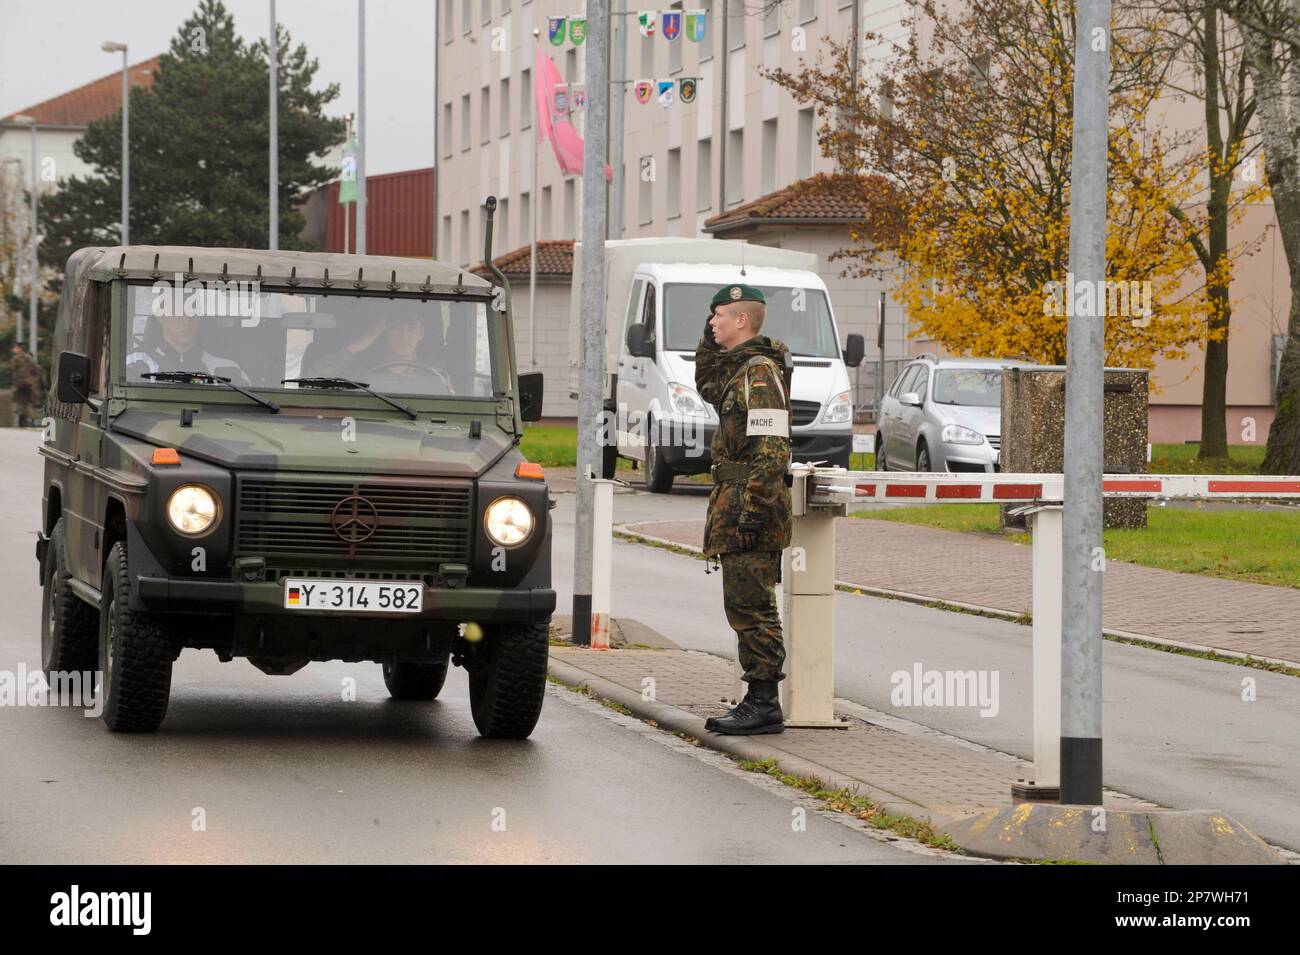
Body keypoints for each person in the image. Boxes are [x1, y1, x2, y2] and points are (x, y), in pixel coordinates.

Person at [694, 283, 793, 735]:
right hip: (736, 504)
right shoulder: (736, 370)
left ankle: (764, 702)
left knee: (753, 608)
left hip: (750, 507)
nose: (712, 322)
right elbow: (707, 384)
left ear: (741, 321)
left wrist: (753, 509)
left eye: (718, 315)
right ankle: (758, 698)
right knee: (742, 603)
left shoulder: (758, 374)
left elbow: (772, 449)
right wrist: (706, 335)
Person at [305, 313, 452, 391]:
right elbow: (310, 381)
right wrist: (356, 347)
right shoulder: (359, 374)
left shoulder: (435, 376)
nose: (404, 336)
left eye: (411, 328)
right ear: (383, 332)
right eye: (395, 328)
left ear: (421, 333)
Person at [125, 310, 249, 384]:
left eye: (192, 314)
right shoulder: (133, 363)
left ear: (199, 319)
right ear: (162, 317)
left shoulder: (229, 368)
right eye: (179, 313)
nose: (186, 322)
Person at [10, 344, 46, 427]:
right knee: (32, 403)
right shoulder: (36, 365)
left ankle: (23, 418)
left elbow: (13, 369)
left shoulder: (17, 358)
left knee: (21, 402)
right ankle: (31, 420)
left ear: (20, 349)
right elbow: (41, 378)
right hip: (33, 386)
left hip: (21, 384)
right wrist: (43, 387)